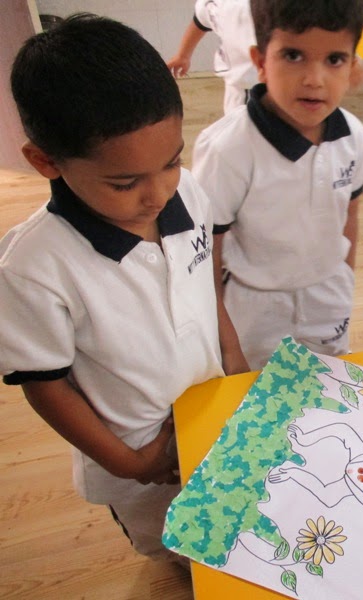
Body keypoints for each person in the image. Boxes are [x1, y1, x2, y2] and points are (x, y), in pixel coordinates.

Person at [0, 14, 249, 561]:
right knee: (172, 546)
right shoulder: (32, 267)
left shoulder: (191, 195)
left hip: (210, 416)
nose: (158, 193)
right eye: (124, 182)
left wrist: (236, 367)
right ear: (46, 162)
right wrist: (129, 464)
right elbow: (46, 385)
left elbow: (207, 288)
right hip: (139, 457)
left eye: (171, 162)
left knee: (229, 536)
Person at [192, 0, 363, 370]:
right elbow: (207, 251)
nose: (314, 79)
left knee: (326, 387)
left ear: (353, 67)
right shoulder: (226, 148)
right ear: (259, 61)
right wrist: (225, 343)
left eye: (334, 60)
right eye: (293, 55)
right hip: (254, 306)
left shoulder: (354, 135)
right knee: (257, 400)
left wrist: (345, 277)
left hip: (328, 294)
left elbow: (349, 212)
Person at [167, 0, 258, 115]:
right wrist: (183, 55)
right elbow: (200, 21)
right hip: (245, 85)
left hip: (264, 82)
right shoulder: (220, 4)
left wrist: (183, 55)